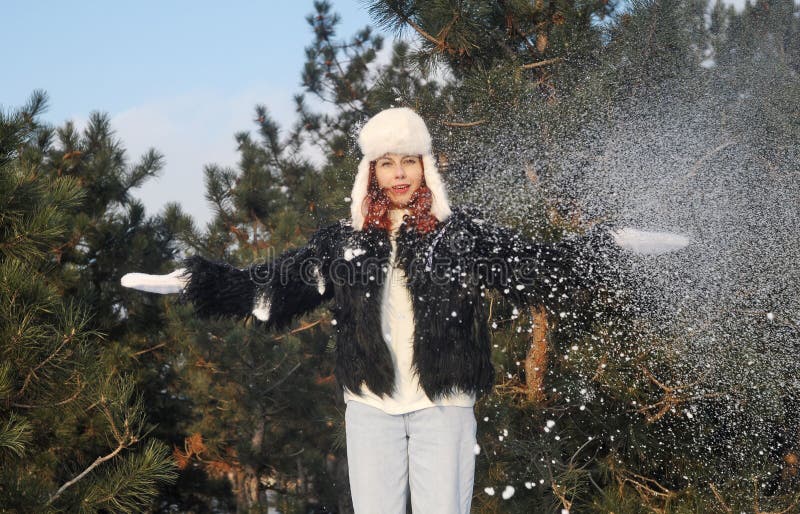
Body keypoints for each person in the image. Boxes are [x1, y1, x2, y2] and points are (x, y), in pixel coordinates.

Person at [121, 107, 688, 513]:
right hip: (370, 406)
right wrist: (196, 280)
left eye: (408, 162)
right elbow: (269, 289)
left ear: (425, 167)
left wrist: (612, 246)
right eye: (385, 163)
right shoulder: (340, 242)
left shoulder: (462, 235)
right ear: (370, 172)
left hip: (445, 402)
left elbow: (541, 266)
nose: (397, 173)